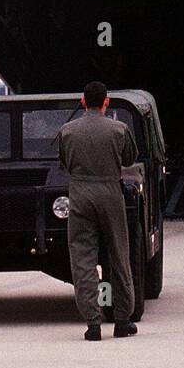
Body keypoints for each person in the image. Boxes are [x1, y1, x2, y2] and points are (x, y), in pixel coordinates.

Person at [58, 82, 138, 341]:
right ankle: (123, 319)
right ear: (106, 103)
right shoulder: (119, 129)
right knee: (119, 253)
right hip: (110, 192)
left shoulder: (67, 131)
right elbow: (129, 159)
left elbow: (64, 162)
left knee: (83, 257)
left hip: (80, 193)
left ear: (83, 101)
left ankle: (92, 323)